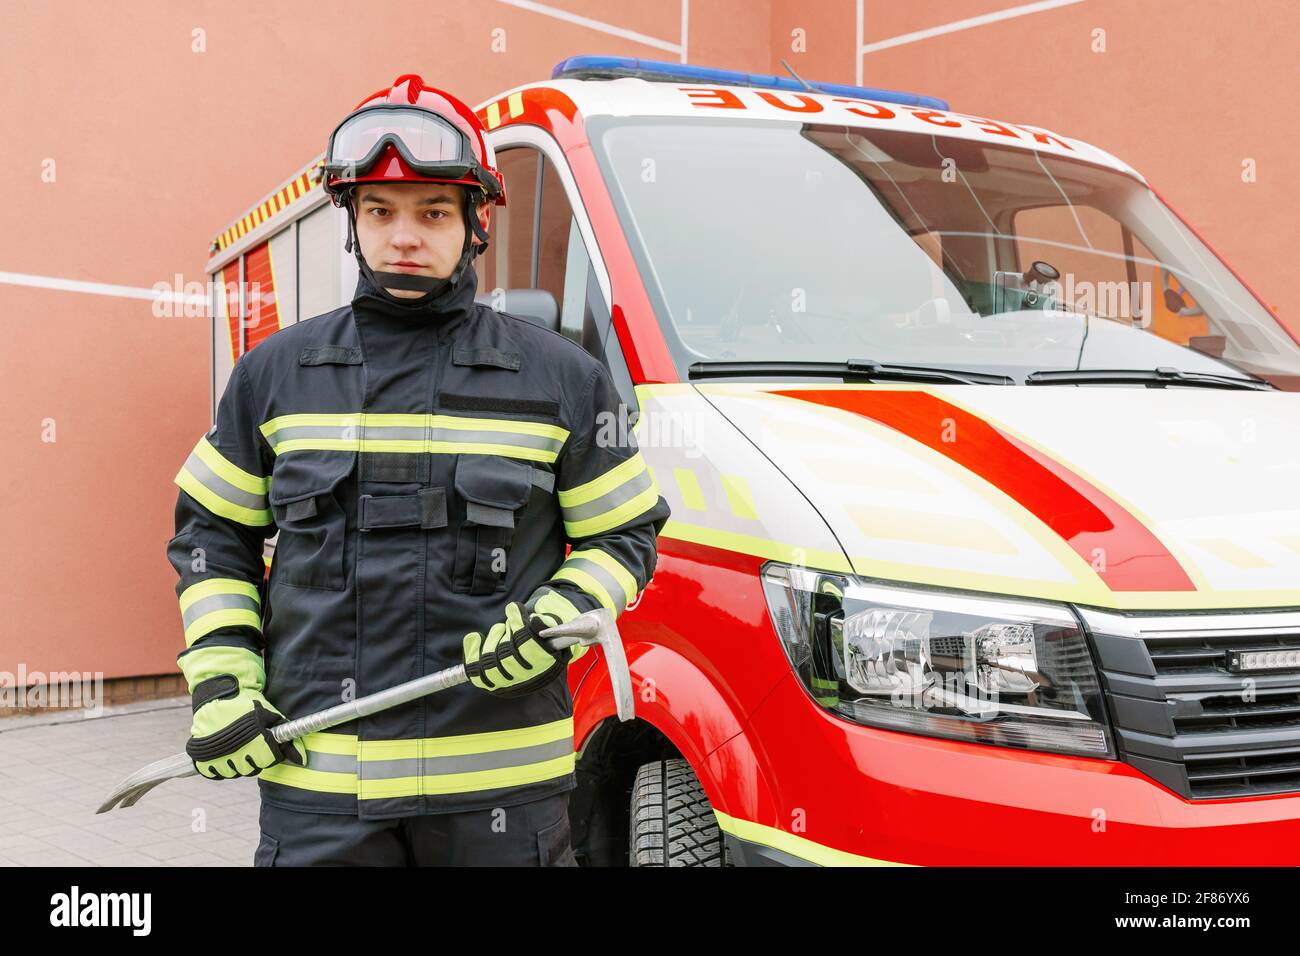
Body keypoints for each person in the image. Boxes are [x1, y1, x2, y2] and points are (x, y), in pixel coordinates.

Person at [167, 74, 670, 866]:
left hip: (502, 801)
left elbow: (627, 536)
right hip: (320, 800)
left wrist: (558, 614)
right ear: (352, 222)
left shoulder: (563, 381)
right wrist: (224, 682)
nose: (404, 236)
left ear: (476, 223)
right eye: (379, 211)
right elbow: (211, 537)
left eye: (433, 212)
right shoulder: (274, 376)